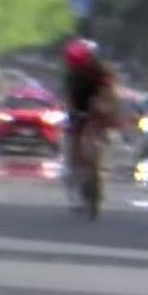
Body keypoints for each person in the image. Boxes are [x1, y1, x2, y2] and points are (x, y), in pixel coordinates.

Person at [60, 38, 119, 201]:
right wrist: (72, 111)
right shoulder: (71, 75)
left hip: (99, 102)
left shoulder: (102, 71)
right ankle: (73, 169)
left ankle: (100, 168)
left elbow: (111, 93)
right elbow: (70, 98)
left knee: (105, 132)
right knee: (74, 136)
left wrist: (109, 110)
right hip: (80, 105)